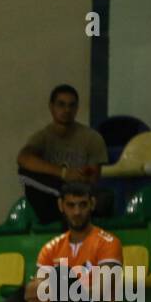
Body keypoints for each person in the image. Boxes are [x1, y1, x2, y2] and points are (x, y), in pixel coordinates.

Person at [17, 84, 107, 224]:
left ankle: (67, 200)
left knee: (103, 198)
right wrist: (63, 174)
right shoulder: (43, 137)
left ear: (77, 108)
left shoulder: (92, 138)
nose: (67, 110)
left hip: (80, 199)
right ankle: (61, 198)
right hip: (52, 202)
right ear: (51, 107)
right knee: (25, 172)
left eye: (71, 105)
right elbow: (23, 159)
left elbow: (94, 177)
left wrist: (80, 177)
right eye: (61, 105)